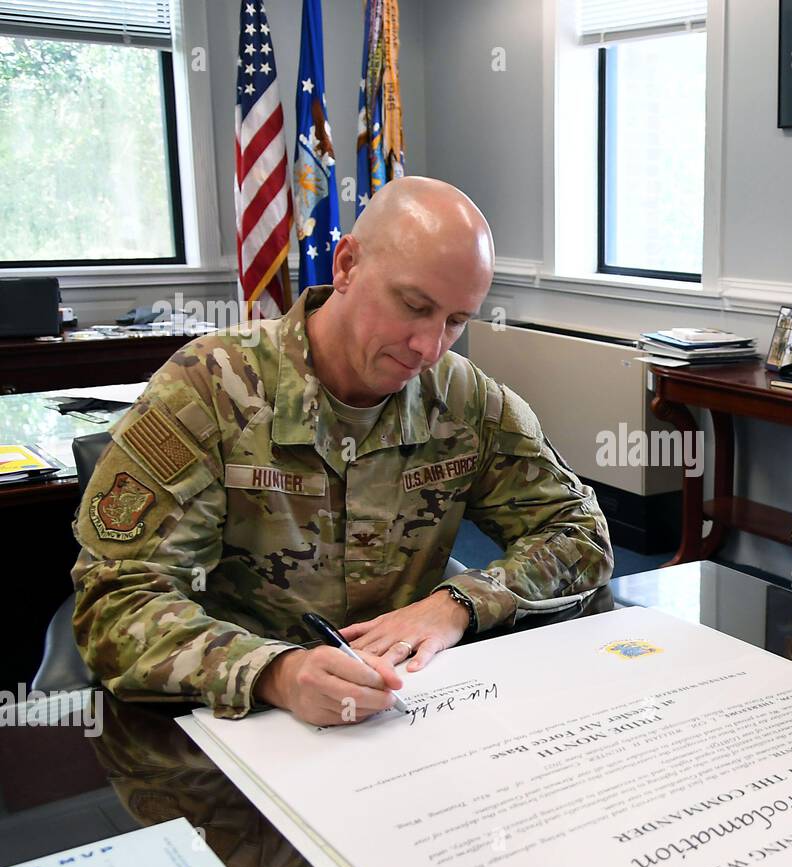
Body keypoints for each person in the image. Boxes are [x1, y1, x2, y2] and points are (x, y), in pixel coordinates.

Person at [72, 177, 614, 725]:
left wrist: (460, 603)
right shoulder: (209, 390)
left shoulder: (463, 400)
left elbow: (580, 534)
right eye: (413, 305)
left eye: (455, 321)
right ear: (347, 265)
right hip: (244, 720)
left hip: (414, 706)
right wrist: (272, 673)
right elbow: (114, 603)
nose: (430, 347)